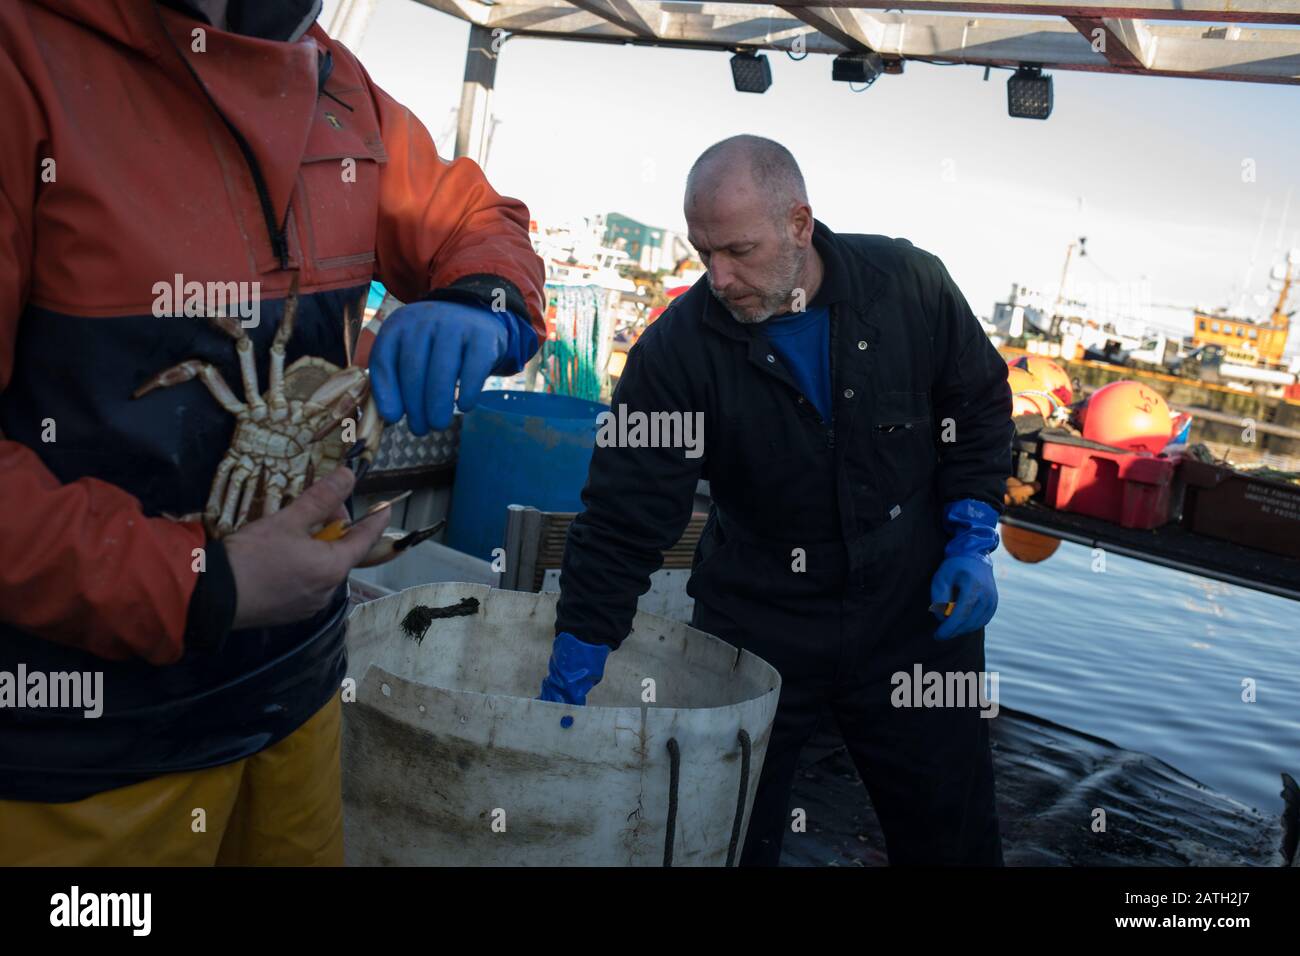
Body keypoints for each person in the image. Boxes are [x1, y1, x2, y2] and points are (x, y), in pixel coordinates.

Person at [0, 0, 545, 864]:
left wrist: (485, 298)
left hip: (295, 692)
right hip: (79, 747)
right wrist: (200, 584)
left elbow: (476, 218)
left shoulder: (342, 87)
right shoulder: (23, 60)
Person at [539, 135, 1012, 865]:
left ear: (799, 224)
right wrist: (580, 647)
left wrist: (973, 535)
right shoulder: (675, 354)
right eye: (703, 253)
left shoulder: (910, 284)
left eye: (739, 251)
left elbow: (977, 405)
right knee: (722, 836)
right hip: (758, 613)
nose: (720, 278)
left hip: (911, 608)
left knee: (950, 832)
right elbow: (626, 514)